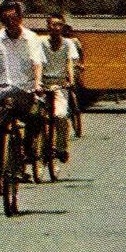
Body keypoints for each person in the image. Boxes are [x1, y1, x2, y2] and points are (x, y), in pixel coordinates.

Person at [0, 0, 45, 197]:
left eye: (13, 17)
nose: (10, 22)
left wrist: (37, 84)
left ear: (20, 18)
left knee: (36, 118)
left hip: (25, 91)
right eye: (5, 19)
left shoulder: (32, 38)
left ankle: (27, 152)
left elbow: (37, 64)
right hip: (1, 91)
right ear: (1, 20)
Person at [40, 15, 80, 163]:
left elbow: (70, 62)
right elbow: (36, 62)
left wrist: (70, 80)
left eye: (59, 25)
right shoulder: (40, 42)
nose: (56, 28)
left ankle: (61, 148)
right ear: (47, 26)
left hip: (60, 84)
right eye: (53, 25)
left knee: (61, 116)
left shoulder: (69, 44)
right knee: (34, 116)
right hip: (42, 85)